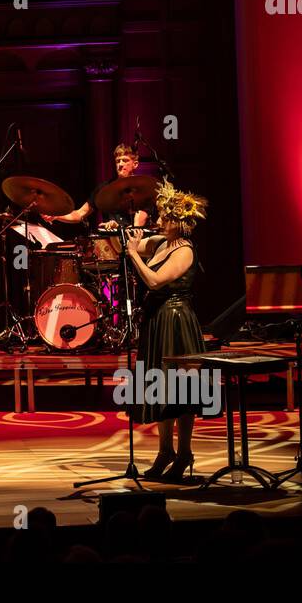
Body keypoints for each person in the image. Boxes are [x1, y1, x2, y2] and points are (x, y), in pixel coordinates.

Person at [123, 180, 208, 483]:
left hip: (176, 321)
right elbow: (132, 242)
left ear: (176, 221)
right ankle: (164, 451)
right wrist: (124, 232)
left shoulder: (184, 250)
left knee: (181, 391)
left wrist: (133, 254)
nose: (158, 220)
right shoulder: (162, 242)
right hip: (159, 321)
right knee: (161, 389)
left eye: (162, 216)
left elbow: (156, 281)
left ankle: (183, 452)